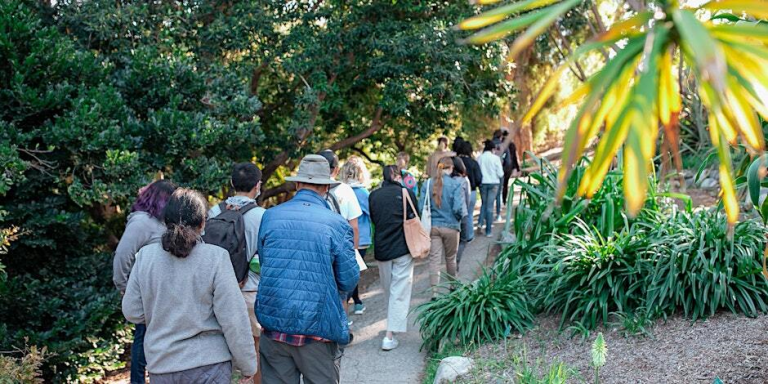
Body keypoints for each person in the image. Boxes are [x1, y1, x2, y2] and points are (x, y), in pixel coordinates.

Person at [122, 188, 256, 384]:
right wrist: (248, 365)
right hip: (210, 365)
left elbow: (132, 311)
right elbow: (233, 318)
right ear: (203, 223)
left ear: (165, 222)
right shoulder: (216, 257)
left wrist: (161, 312)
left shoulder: (146, 257)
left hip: (163, 365)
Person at [256, 155, 359, 384]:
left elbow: (266, 263)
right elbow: (349, 279)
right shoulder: (336, 223)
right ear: (325, 188)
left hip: (275, 325)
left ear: (297, 184)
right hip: (317, 330)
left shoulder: (270, 217)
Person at [112, 179, 177, 384]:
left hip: (167, 295)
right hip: (148, 295)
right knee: (143, 344)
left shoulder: (162, 222)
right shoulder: (141, 222)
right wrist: (124, 288)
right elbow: (122, 257)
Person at [207, 163, 265, 384]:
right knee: (256, 347)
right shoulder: (262, 216)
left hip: (220, 292)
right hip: (252, 290)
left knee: (224, 349)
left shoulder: (214, 212)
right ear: (257, 186)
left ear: (232, 184)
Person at [368, 165, 417, 351]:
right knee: (399, 291)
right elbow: (415, 216)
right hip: (403, 247)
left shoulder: (374, 196)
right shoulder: (407, 194)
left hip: (382, 248)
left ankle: (391, 328)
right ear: (397, 176)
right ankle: (389, 336)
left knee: (389, 290)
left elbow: (374, 219)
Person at [419, 157, 467, 297]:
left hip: (433, 227)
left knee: (434, 259)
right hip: (451, 226)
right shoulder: (456, 184)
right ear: (451, 168)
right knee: (450, 258)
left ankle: (434, 293)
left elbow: (421, 206)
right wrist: (457, 220)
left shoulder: (427, 184)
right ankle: (453, 286)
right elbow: (458, 208)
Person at [339, 156, 372, 316]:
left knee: (349, 270)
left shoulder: (339, 191)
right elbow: (370, 213)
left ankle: (356, 301)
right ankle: (351, 302)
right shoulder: (363, 193)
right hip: (361, 236)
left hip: (342, 237)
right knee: (354, 272)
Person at [477, 140, 504, 238]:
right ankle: (488, 231)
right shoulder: (496, 158)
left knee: (484, 204)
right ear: (493, 149)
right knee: (489, 206)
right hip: (493, 184)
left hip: (482, 183)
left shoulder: (479, 158)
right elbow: (500, 173)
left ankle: (480, 222)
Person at [451, 157, 473, 272]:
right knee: (463, 240)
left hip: (449, 215)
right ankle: (456, 262)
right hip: (462, 214)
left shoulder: (445, 180)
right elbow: (467, 199)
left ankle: (451, 262)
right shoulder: (464, 180)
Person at [457, 141, 482, 227]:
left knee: (459, 215)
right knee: (470, 215)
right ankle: (469, 236)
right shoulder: (473, 162)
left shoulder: (456, 162)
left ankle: (460, 237)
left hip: (457, 191)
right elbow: (479, 178)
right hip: (472, 190)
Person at [501, 129, 521, 209]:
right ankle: (504, 200)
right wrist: (517, 168)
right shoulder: (511, 144)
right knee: (505, 184)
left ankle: (500, 200)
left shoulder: (500, 144)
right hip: (509, 167)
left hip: (501, 166)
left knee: (501, 184)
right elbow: (515, 157)